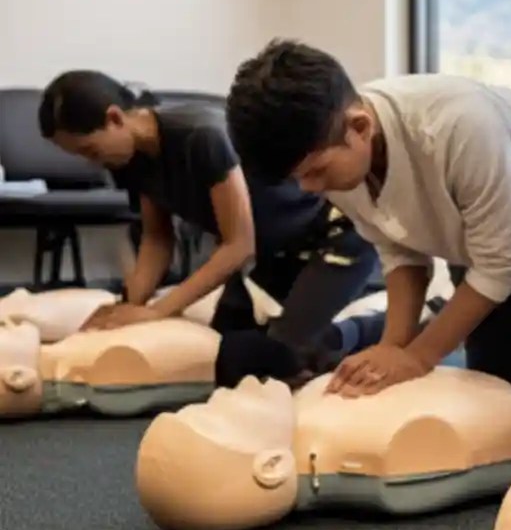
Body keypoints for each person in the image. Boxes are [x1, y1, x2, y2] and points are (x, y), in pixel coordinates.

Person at [223, 40, 511, 462]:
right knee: (508, 405)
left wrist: (421, 356)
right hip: (488, 242)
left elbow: (501, 266)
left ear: (360, 126)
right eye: (299, 179)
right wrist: (394, 345)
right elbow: (400, 251)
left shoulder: (458, 126)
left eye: (315, 172)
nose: (311, 189)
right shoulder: (340, 163)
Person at [37, 71, 378, 385]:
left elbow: (237, 245)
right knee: (225, 356)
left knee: (282, 359)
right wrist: (126, 307)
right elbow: (157, 239)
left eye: (90, 150)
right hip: (274, 251)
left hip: (333, 239)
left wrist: (157, 311)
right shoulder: (129, 160)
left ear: (114, 118)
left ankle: (375, 328)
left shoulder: (200, 135)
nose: (92, 162)